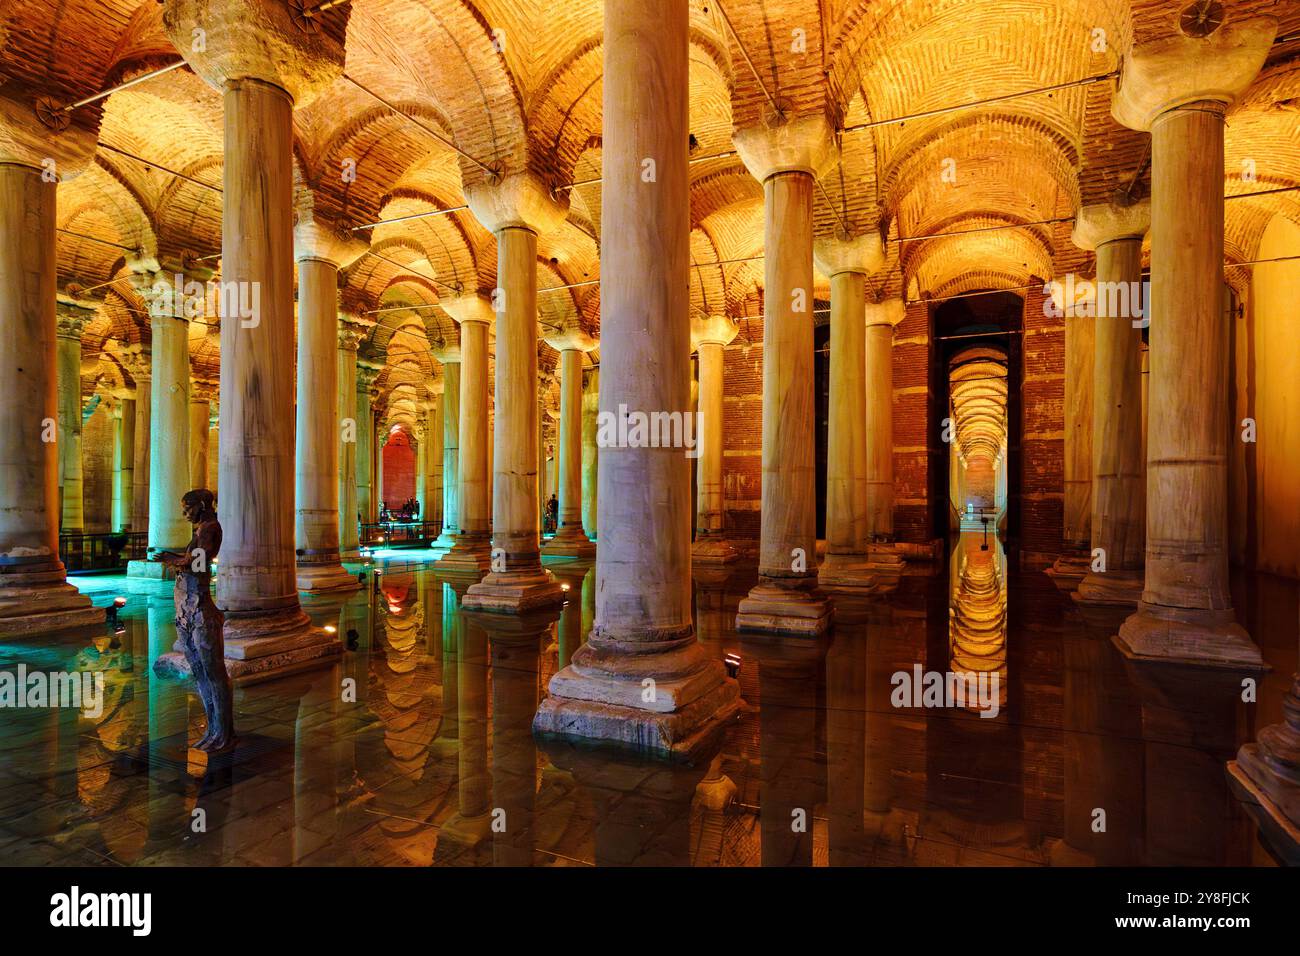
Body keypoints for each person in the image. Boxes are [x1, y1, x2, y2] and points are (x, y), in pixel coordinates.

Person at [161, 489, 234, 753]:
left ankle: (224, 733)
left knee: (214, 673)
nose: (184, 513)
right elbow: (192, 560)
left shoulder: (211, 528)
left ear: (202, 505)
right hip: (186, 610)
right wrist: (177, 559)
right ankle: (214, 729)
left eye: (188, 507)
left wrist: (175, 560)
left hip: (201, 608)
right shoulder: (199, 530)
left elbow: (200, 564)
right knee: (200, 672)